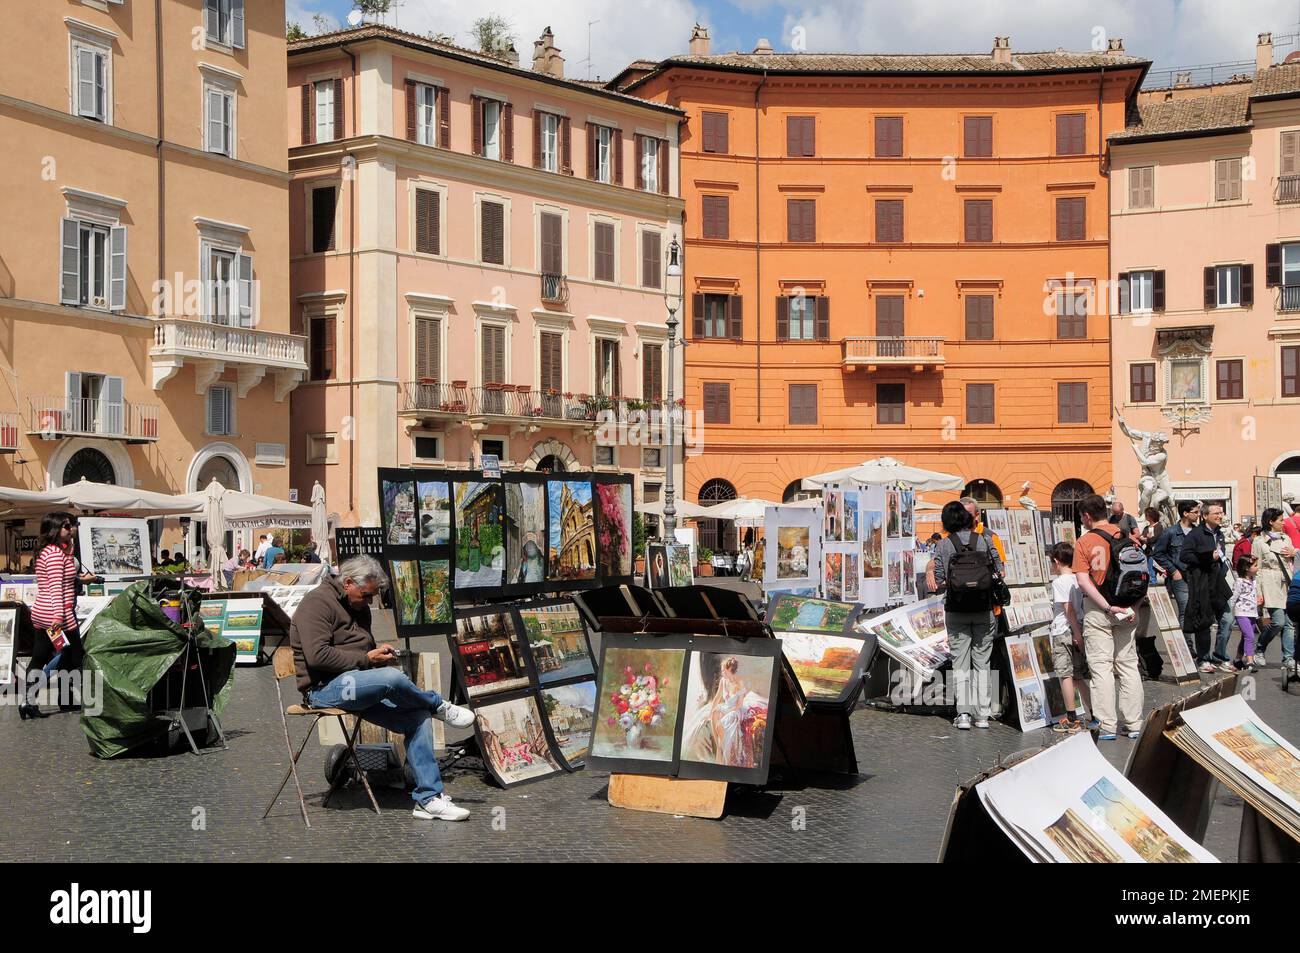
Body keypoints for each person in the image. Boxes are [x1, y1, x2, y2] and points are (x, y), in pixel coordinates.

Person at [290, 555, 477, 821]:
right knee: (392, 679)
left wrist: (375, 653)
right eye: (366, 595)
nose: (369, 602)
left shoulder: (359, 607)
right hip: (323, 689)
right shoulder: (316, 604)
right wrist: (368, 659)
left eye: (372, 597)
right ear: (348, 583)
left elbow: (361, 650)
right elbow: (318, 656)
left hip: (356, 682)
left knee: (417, 718)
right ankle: (437, 704)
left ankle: (428, 799)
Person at [1072, 493, 1143, 741]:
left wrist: (1106, 607)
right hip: (1127, 607)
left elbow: (1083, 581)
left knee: (1101, 668)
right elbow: (1141, 576)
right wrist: (1131, 606)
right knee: (1127, 665)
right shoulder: (1127, 537)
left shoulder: (1085, 542)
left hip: (1099, 609)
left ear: (1087, 516)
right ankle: (1134, 723)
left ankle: (1107, 726)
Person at [932, 501, 1003, 730]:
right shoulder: (984, 539)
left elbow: (940, 579)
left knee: (960, 662)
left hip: (956, 609)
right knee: (982, 661)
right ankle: (982, 715)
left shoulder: (943, 545)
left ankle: (963, 715)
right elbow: (999, 569)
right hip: (983, 608)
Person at [23, 512, 96, 720]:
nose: (71, 529)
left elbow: (62, 580)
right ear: (56, 529)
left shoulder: (47, 551)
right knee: (74, 656)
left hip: (42, 613)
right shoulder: (55, 555)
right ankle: (81, 702)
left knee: (39, 657)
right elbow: (56, 588)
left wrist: (82, 579)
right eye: (66, 526)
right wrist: (58, 618)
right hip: (58, 617)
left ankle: (28, 701)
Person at [1177, 502, 1232, 673]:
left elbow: (1221, 556)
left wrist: (1222, 569)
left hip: (1219, 583)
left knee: (1228, 619)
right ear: (1205, 515)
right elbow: (1185, 556)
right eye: (1216, 513)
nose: (1220, 516)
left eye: (1221, 513)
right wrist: (1208, 557)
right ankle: (1203, 659)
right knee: (1204, 622)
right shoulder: (1195, 534)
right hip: (1202, 583)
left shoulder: (1220, 534)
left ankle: (1219, 655)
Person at [1048, 541, 1092, 733]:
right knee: (1079, 675)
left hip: (1063, 629)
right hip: (1078, 627)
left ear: (1057, 562)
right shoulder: (1077, 579)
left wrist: (1075, 633)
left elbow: (1068, 610)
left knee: (1065, 675)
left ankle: (1072, 717)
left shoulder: (1059, 582)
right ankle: (1093, 714)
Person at [1254, 507, 1297, 676]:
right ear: (1271, 522)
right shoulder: (1259, 541)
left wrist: (1293, 553)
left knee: (1289, 623)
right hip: (1269, 582)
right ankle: (1260, 647)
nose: (1283, 522)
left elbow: (1292, 558)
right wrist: (1258, 591)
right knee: (1278, 621)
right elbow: (1255, 568)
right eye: (1280, 520)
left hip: (1286, 582)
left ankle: (1288, 658)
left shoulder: (1286, 538)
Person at [1153, 499, 1200, 626]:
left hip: (1197, 576)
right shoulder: (1171, 532)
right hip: (1180, 577)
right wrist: (1173, 571)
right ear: (1185, 513)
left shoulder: (1198, 532)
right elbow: (1158, 553)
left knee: (1198, 612)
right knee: (1185, 612)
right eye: (1195, 512)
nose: (1198, 514)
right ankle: (1187, 646)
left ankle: (1197, 645)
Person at [1230, 555, 1263, 673]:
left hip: (1252, 613)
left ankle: (1238, 659)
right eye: (1254, 565)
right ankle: (1250, 661)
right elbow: (1233, 598)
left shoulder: (1253, 580)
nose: (1257, 567)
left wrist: (1257, 601)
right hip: (1242, 613)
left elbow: (1252, 595)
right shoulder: (1239, 582)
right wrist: (1230, 611)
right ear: (1246, 568)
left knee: (1245, 638)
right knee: (1250, 636)